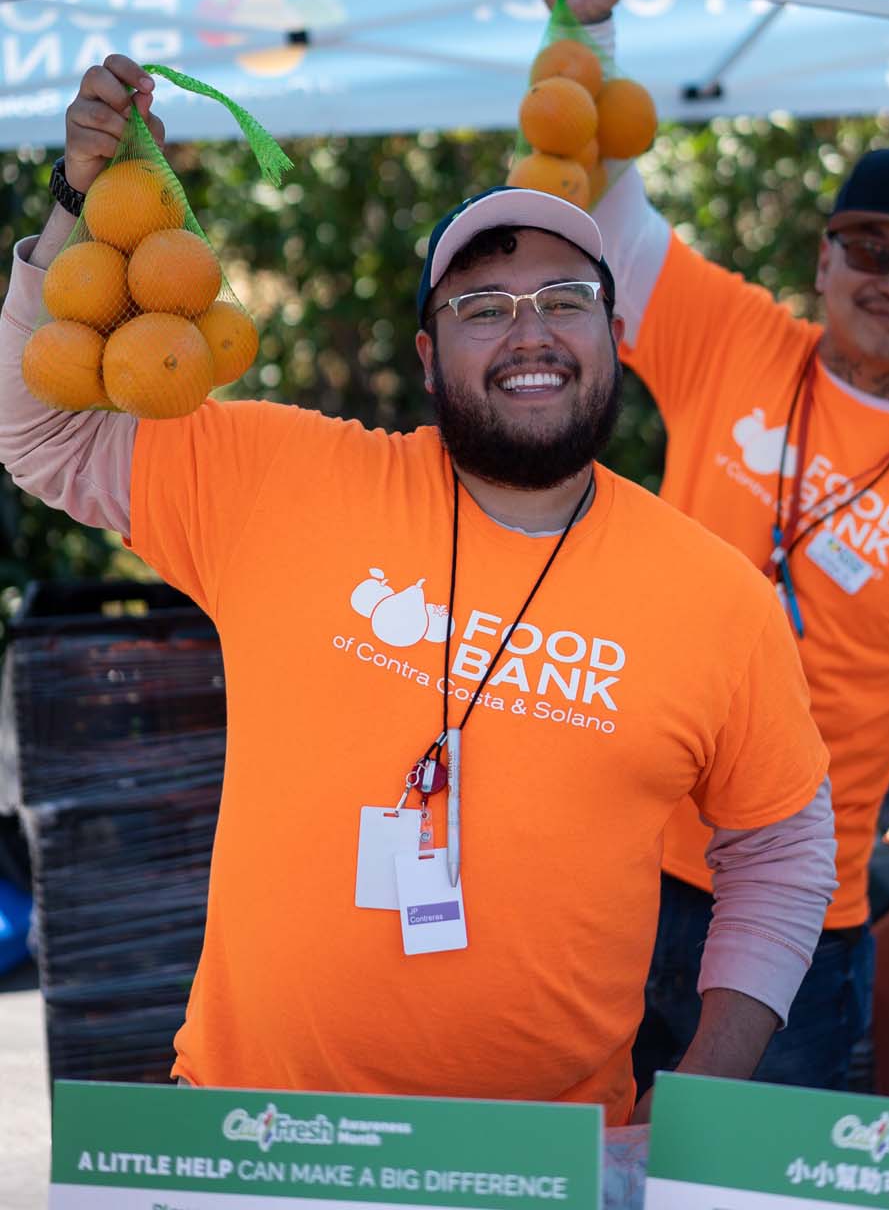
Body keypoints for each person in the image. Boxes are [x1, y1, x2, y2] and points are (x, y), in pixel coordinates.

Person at [0, 55, 836, 1123]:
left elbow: (783, 843)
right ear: (428, 357)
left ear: (614, 341)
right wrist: (77, 202)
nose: (529, 331)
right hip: (260, 1141)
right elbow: (39, 432)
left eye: (565, 299)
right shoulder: (280, 479)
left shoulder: (716, 594)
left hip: (547, 1164)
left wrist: (706, 1098)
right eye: (482, 305)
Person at [537, 0, 889, 1093]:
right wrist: (588, 26)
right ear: (823, 259)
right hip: (610, 859)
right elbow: (604, 206)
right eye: (871, 246)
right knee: (581, 1161)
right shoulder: (731, 335)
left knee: (741, 1186)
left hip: (793, 914)